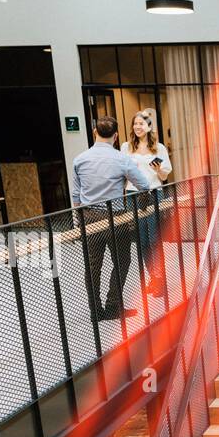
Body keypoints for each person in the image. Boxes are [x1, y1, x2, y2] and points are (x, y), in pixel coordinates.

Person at [71, 116, 151, 323]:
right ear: (116, 137)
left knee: (92, 266)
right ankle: (113, 304)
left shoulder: (79, 159)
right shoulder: (121, 159)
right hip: (115, 219)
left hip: (89, 218)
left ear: (94, 133)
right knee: (123, 260)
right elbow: (144, 185)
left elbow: (76, 196)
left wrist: (78, 221)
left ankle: (95, 311)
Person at [122, 109, 172, 297]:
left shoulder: (159, 148)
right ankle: (154, 278)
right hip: (133, 195)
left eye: (141, 124)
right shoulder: (126, 147)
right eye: (135, 124)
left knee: (153, 239)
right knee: (141, 241)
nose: (137, 127)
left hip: (153, 193)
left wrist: (159, 170)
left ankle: (160, 279)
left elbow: (165, 175)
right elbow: (122, 172)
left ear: (149, 126)